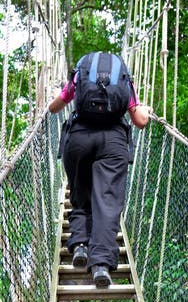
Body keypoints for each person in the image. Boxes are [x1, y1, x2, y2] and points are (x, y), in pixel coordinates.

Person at [49, 53, 151, 288]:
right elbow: (140, 121)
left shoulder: (81, 74)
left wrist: (57, 97)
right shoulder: (124, 77)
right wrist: (144, 109)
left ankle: (80, 246)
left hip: (79, 139)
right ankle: (101, 265)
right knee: (107, 202)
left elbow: (56, 107)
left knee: (80, 196)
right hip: (113, 141)